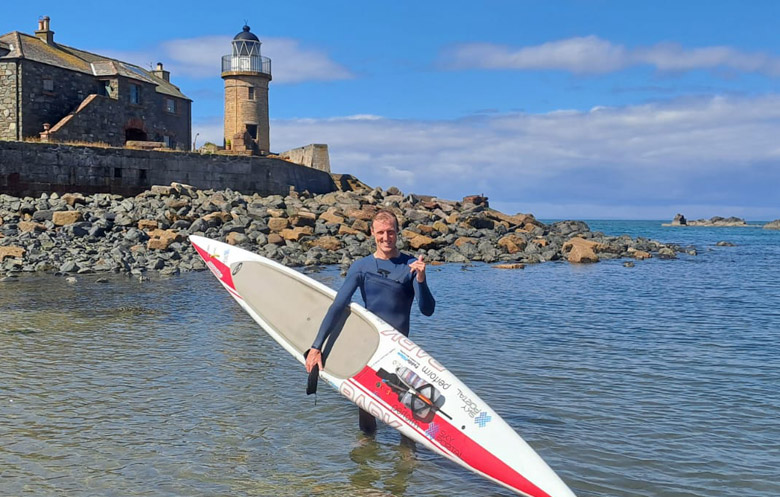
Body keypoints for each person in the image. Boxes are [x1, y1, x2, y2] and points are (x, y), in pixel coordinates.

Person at [305, 209, 436, 434]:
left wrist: (421, 280)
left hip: (400, 348)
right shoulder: (361, 267)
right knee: (366, 406)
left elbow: (427, 310)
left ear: (398, 233)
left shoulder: (411, 266)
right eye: (381, 232)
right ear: (372, 233)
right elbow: (338, 306)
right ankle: (366, 452)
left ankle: (408, 456)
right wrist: (316, 347)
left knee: (406, 407)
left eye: (391, 232)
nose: (386, 238)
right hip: (370, 346)